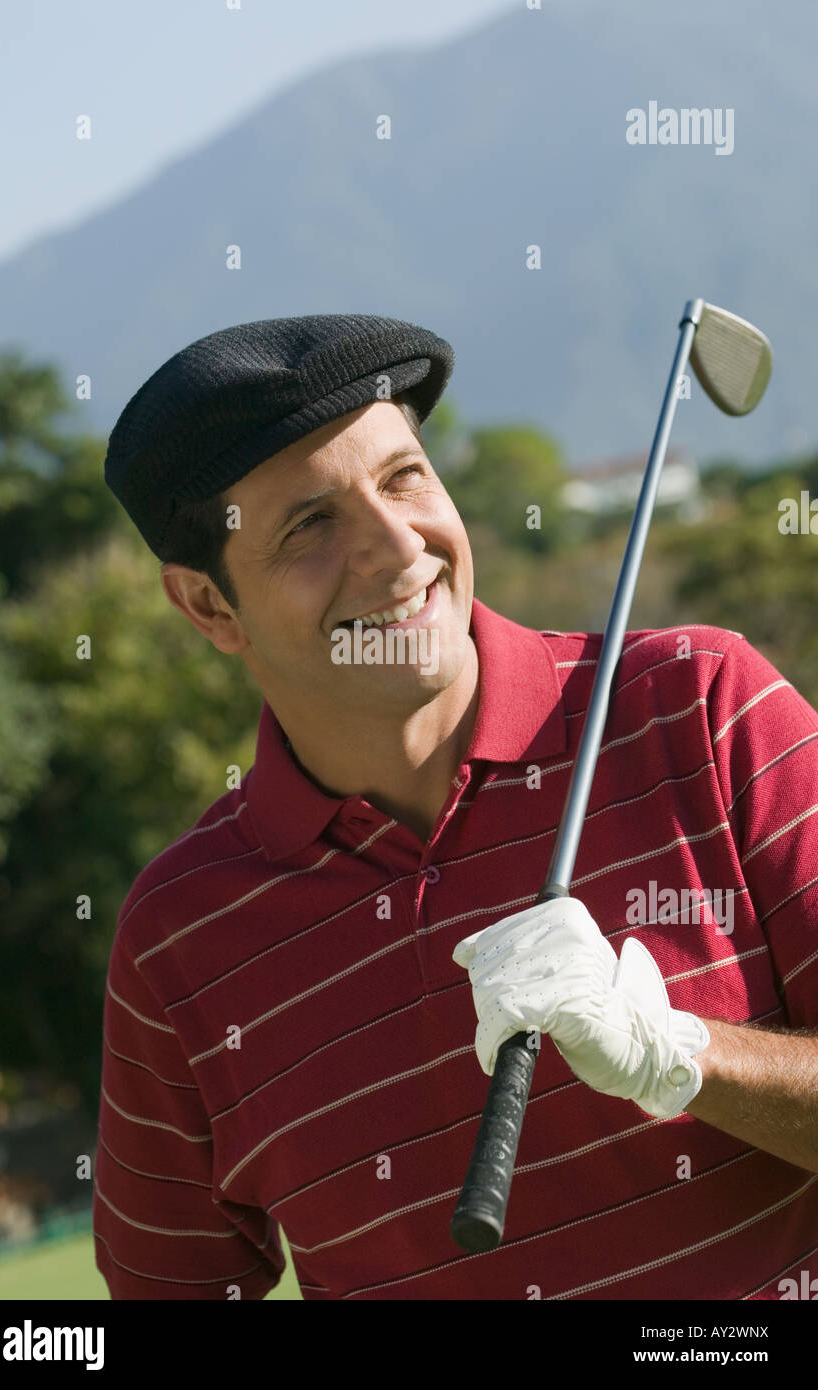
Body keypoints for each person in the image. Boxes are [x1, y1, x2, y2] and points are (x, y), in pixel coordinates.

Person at [94, 313, 818, 1300]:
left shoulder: (700, 702)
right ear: (209, 607)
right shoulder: (176, 933)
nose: (398, 550)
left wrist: (681, 1055)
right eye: (311, 524)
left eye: (403, 479)